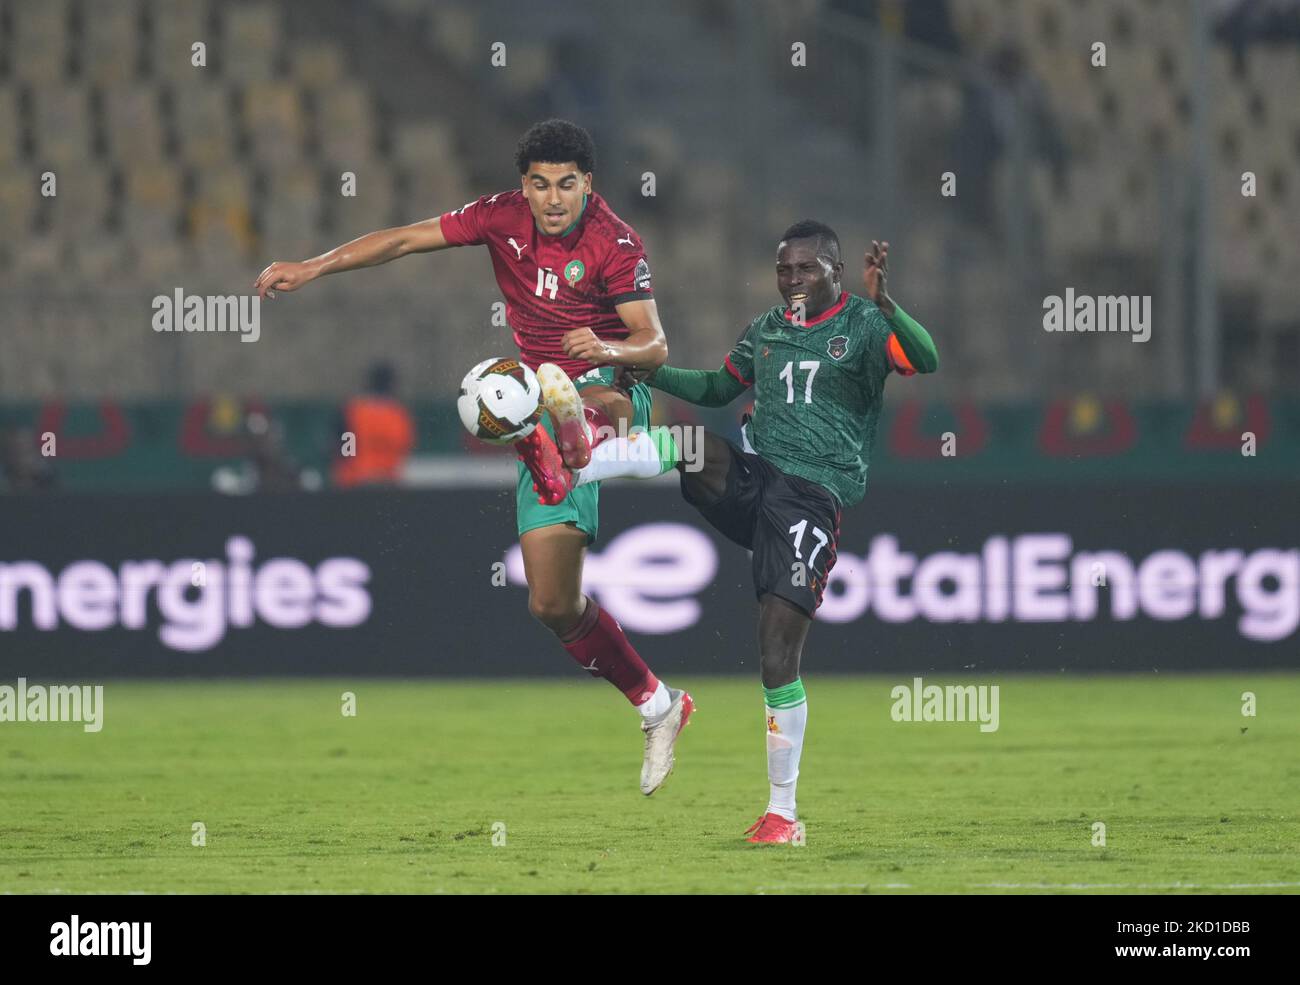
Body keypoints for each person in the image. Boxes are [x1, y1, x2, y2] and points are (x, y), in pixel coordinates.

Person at [254, 119, 693, 795]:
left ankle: (569, 434)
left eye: (567, 185)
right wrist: (313, 266)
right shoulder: (500, 217)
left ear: (589, 185)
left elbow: (655, 344)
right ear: (524, 185)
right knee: (551, 602)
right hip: (539, 403)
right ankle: (659, 705)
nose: (553, 199)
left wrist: (605, 349)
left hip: (608, 387)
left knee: (564, 399)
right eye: (541, 184)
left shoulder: (615, 242)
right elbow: (401, 239)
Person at [548, 221, 939, 841]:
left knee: (776, 657)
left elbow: (926, 358)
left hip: (812, 500)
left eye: (805, 268)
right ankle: (573, 470)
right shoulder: (766, 330)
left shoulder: (865, 326)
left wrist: (888, 304)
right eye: (784, 269)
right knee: (694, 448)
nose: (791, 280)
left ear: (835, 270)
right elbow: (717, 387)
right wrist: (648, 373)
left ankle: (783, 814)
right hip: (758, 478)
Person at [333, 362, 416, 488]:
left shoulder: (353, 411)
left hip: (356, 482)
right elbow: (406, 446)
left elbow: (342, 447)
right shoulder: (399, 415)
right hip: (389, 482)